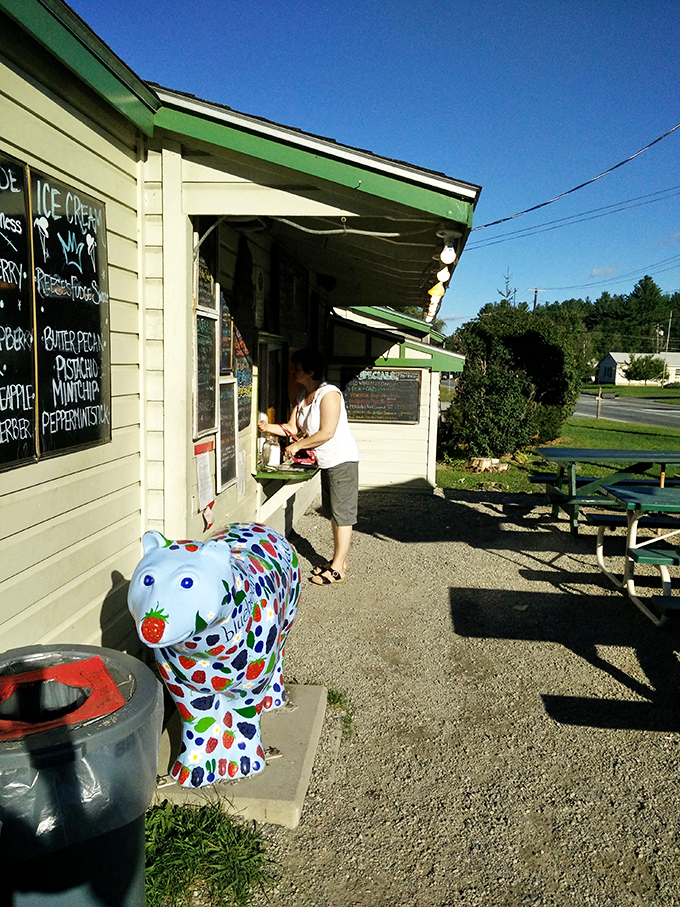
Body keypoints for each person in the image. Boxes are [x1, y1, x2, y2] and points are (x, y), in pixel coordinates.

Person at [257, 348, 360, 585]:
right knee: (334, 513)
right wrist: (266, 427)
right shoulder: (304, 395)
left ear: (311, 371)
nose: (292, 371)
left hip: (341, 460)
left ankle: (338, 568)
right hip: (326, 462)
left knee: (343, 514)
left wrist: (297, 446)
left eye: (296, 368)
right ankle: (338, 561)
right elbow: (292, 428)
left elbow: (327, 432)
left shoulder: (329, 394)